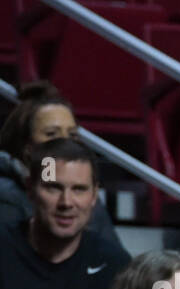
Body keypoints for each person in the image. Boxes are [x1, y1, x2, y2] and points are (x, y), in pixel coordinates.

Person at [0, 139, 130, 289]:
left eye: (79, 189)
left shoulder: (114, 264)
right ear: (30, 189)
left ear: (94, 195)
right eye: (53, 188)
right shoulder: (4, 248)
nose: (66, 202)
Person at [0, 81, 124, 251]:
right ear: (28, 148)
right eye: (51, 134)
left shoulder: (84, 193)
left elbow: (116, 264)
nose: (64, 142)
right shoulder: (6, 195)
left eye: (72, 134)